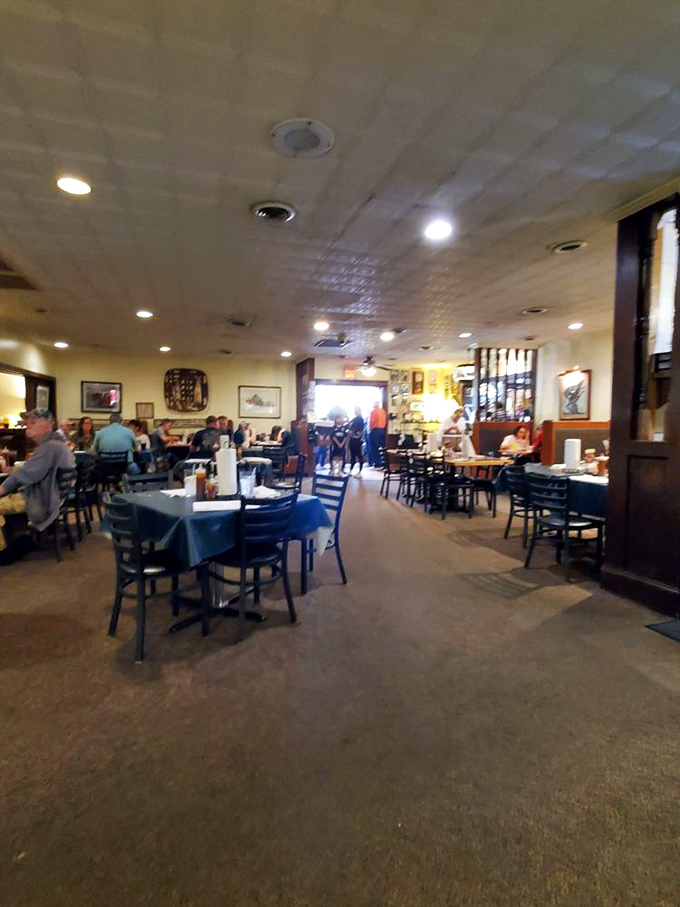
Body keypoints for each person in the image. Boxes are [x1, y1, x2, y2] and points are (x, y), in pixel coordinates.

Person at [0, 408, 74, 558]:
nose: (28, 425)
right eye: (27, 422)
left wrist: (2, 488)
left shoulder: (49, 447)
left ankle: (4, 552)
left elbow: (24, 475)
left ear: (47, 426)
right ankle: (20, 539)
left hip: (43, 500)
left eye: (33, 422)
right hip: (51, 496)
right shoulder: (56, 444)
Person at [368, 401, 387, 467]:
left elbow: (371, 422)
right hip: (383, 430)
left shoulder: (373, 411)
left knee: (374, 448)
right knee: (382, 447)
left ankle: (377, 463)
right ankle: (384, 461)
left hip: (375, 430)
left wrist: (370, 431)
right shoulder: (383, 411)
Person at [348, 407, 365, 476]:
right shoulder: (357, 418)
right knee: (354, 455)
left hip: (356, 439)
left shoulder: (359, 419)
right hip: (354, 439)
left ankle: (359, 471)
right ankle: (351, 470)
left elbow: (354, 427)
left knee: (358, 454)